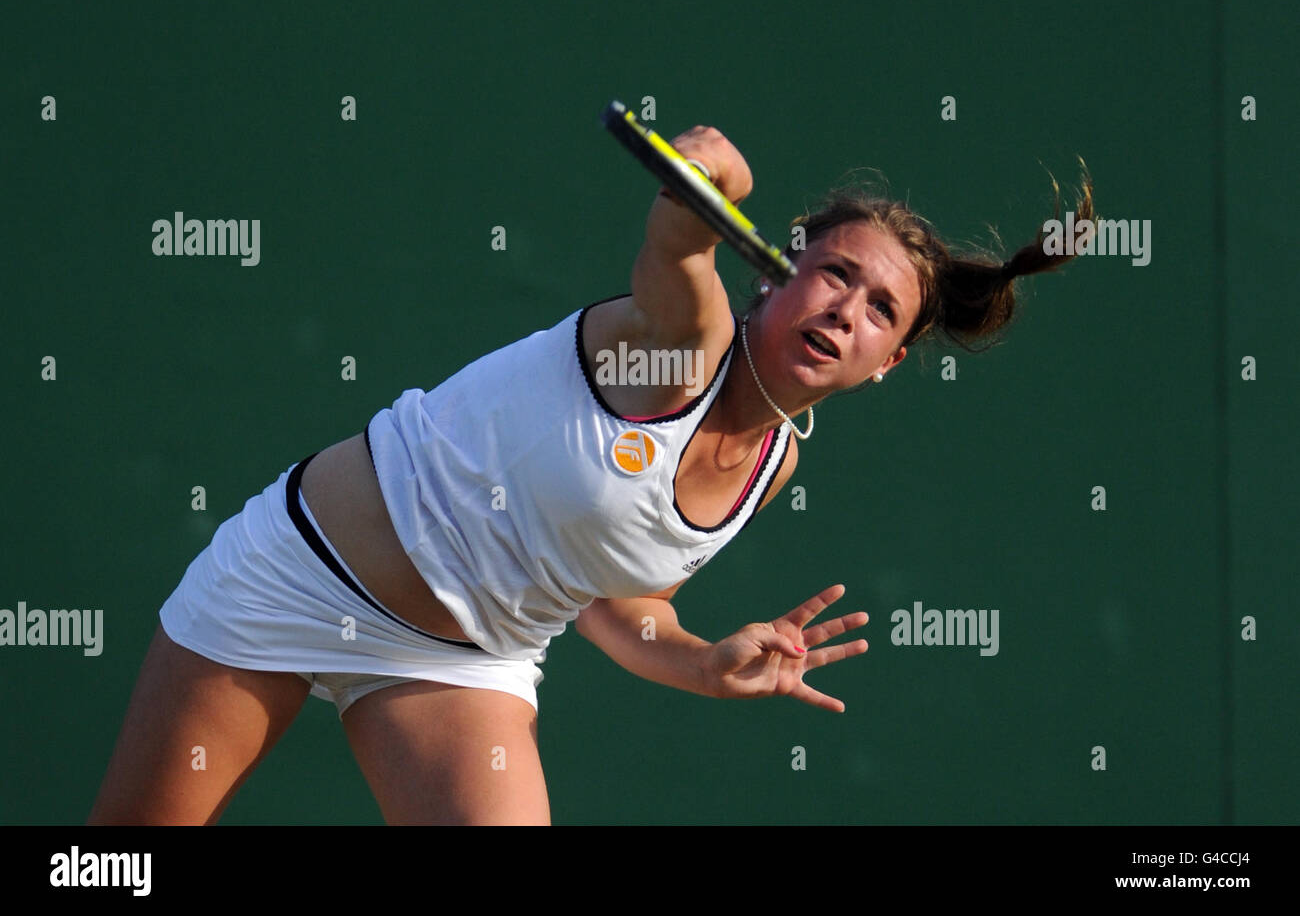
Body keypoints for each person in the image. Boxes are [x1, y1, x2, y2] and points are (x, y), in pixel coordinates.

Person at [88, 124, 1093, 826]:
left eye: (879, 309)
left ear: (887, 364)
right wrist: (710, 178)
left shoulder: (774, 459)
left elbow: (617, 600)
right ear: (775, 272)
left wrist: (703, 661)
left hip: (464, 665)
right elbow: (676, 248)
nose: (845, 310)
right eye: (835, 273)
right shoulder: (683, 343)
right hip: (301, 579)